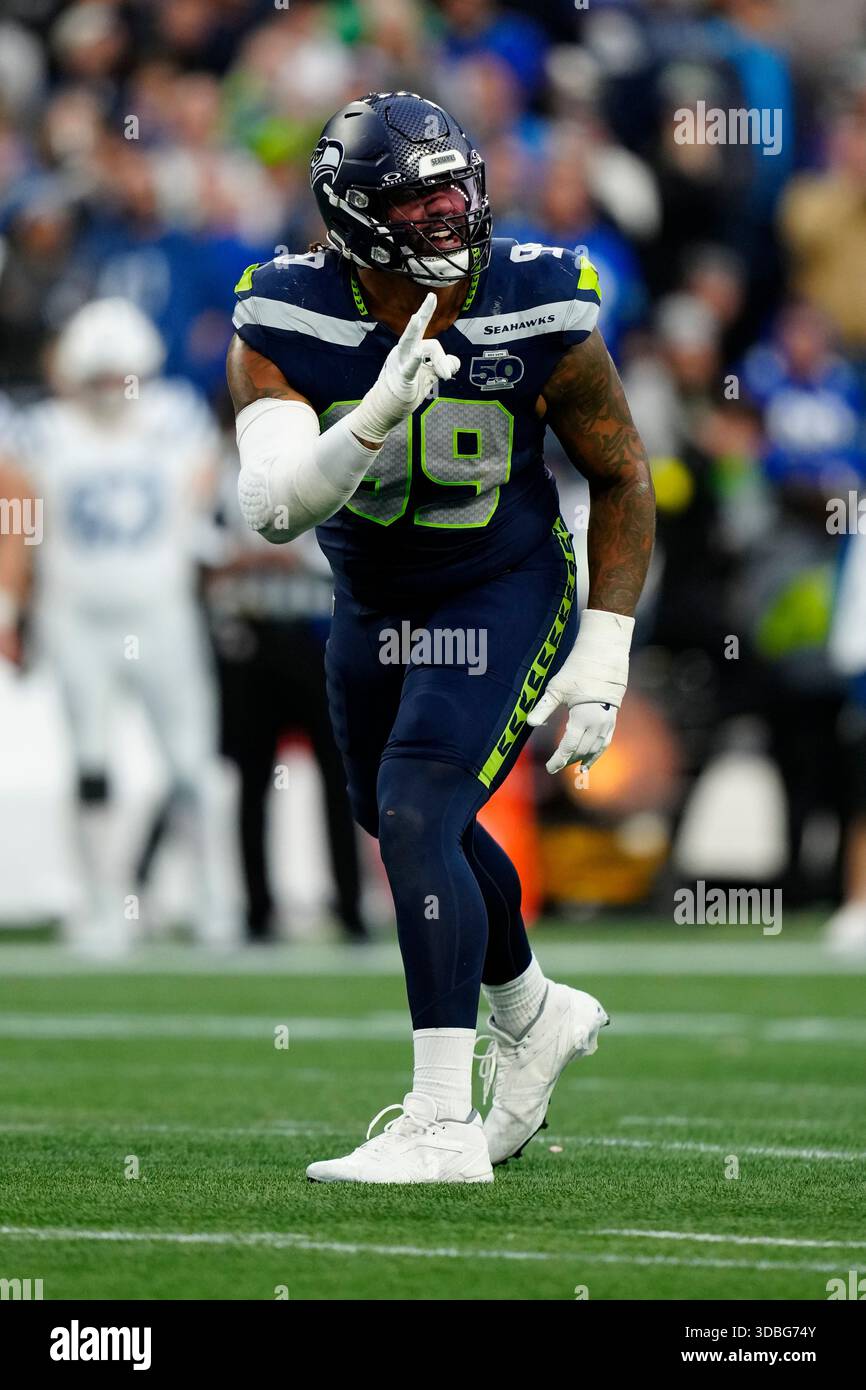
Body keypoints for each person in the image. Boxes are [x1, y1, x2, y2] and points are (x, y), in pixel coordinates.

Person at [228, 92, 655, 1184]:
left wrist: (601, 654)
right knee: (395, 816)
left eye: (456, 184)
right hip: (371, 601)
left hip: (500, 583)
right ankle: (533, 1010)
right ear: (355, 215)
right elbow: (272, 508)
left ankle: (439, 1121)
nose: (449, 211)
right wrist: (367, 420)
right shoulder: (287, 312)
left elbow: (618, 473)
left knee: (419, 804)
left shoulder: (535, 298)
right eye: (417, 197)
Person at [15, 298, 234, 955]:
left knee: (193, 762)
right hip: (75, 616)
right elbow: (16, 516)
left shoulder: (175, 419)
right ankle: (102, 905)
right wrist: (11, 602)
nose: (112, 390)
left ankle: (214, 899)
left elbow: (203, 492)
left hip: (161, 611)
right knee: (90, 765)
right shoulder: (43, 431)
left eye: (121, 377)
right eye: (99, 378)